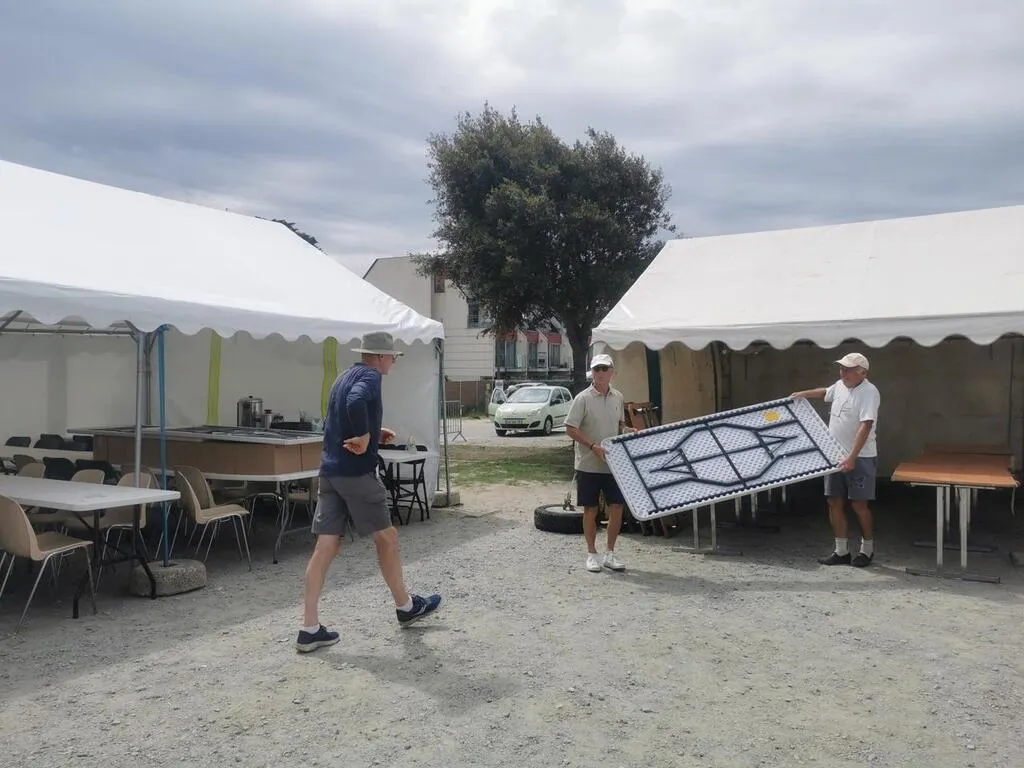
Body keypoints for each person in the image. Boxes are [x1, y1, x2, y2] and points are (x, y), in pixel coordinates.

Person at [297, 331, 442, 652]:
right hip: (356, 473)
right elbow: (356, 402)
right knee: (387, 537)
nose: (393, 361)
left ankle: (309, 628)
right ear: (378, 357)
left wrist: (373, 433)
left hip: (330, 471)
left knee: (326, 547)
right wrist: (364, 436)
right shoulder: (371, 377)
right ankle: (406, 607)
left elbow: (338, 414)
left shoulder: (344, 376)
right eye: (392, 356)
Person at [790, 352, 881, 568]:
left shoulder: (869, 392)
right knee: (834, 501)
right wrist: (803, 394)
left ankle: (867, 550)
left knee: (859, 505)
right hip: (834, 454)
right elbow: (826, 393)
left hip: (861, 457)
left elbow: (865, 426)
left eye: (849, 369)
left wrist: (852, 457)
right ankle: (841, 551)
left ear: (863, 372)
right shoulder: (840, 385)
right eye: (842, 368)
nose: (843, 372)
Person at [564, 353, 633, 573]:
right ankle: (591, 553)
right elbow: (570, 428)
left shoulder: (618, 397)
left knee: (617, 507)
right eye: (596, 369)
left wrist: (627, 431)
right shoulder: (582, 398)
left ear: (612, 372)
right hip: (588, 464)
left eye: (604, 369)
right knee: (590, 509)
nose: (600, 373)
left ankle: (610, 554)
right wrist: (593, 446)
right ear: (591, 372)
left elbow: (619, 425)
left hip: (612, 464)